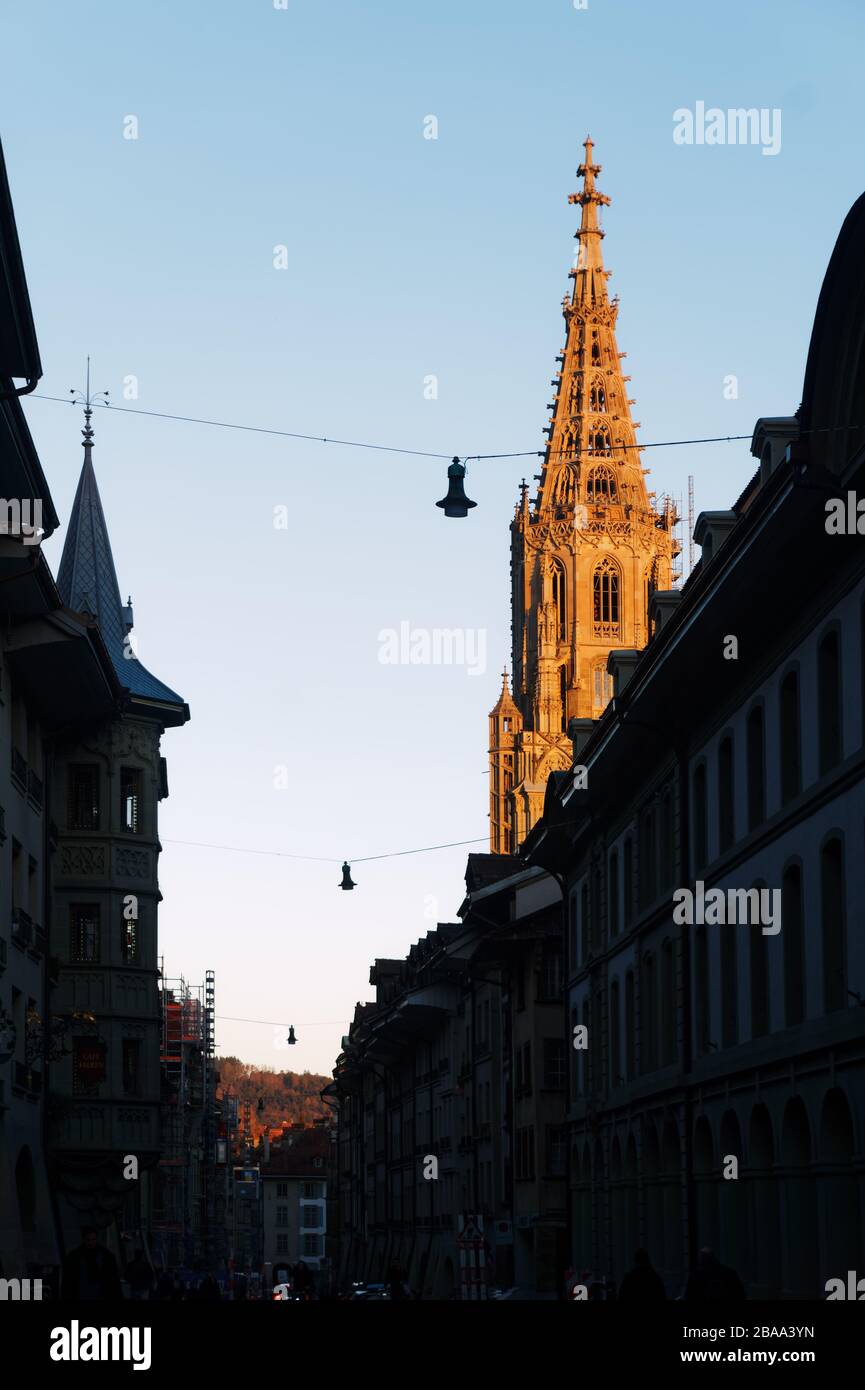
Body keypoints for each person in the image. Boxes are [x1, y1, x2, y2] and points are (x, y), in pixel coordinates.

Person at [61, 1226, 123, 1301]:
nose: (91, 1243)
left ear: (96, 1239)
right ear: (83, 1240)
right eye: (88, 1240)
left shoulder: (106, 1256)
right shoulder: (74, 1257)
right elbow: (68, 1282)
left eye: (93, 1240)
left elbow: (113, 1281)